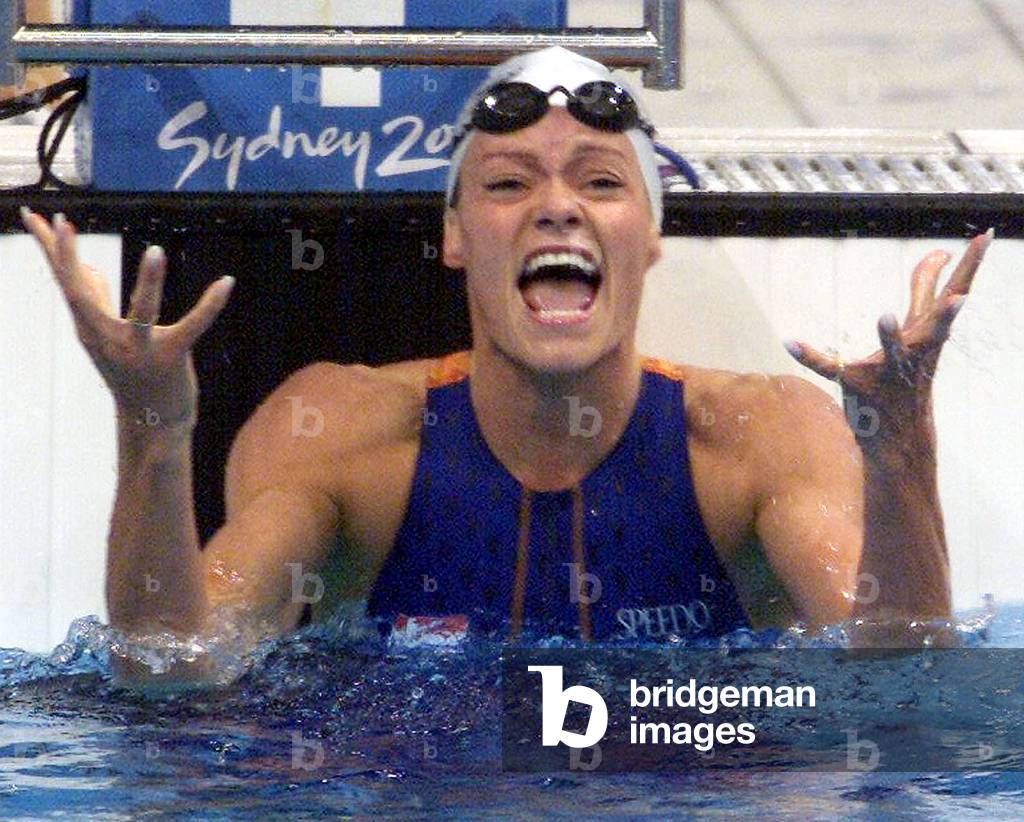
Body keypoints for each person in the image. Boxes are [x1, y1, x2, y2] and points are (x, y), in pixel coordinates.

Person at [20, 47, 989, 687]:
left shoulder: (760, 438)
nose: (557, 207)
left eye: (600, 181)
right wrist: (153, 430)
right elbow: (171, 667)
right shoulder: (343, 435)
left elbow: (901, 679)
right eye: (510, 183)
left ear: (651, 236)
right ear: (454, 237)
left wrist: (902, 453)